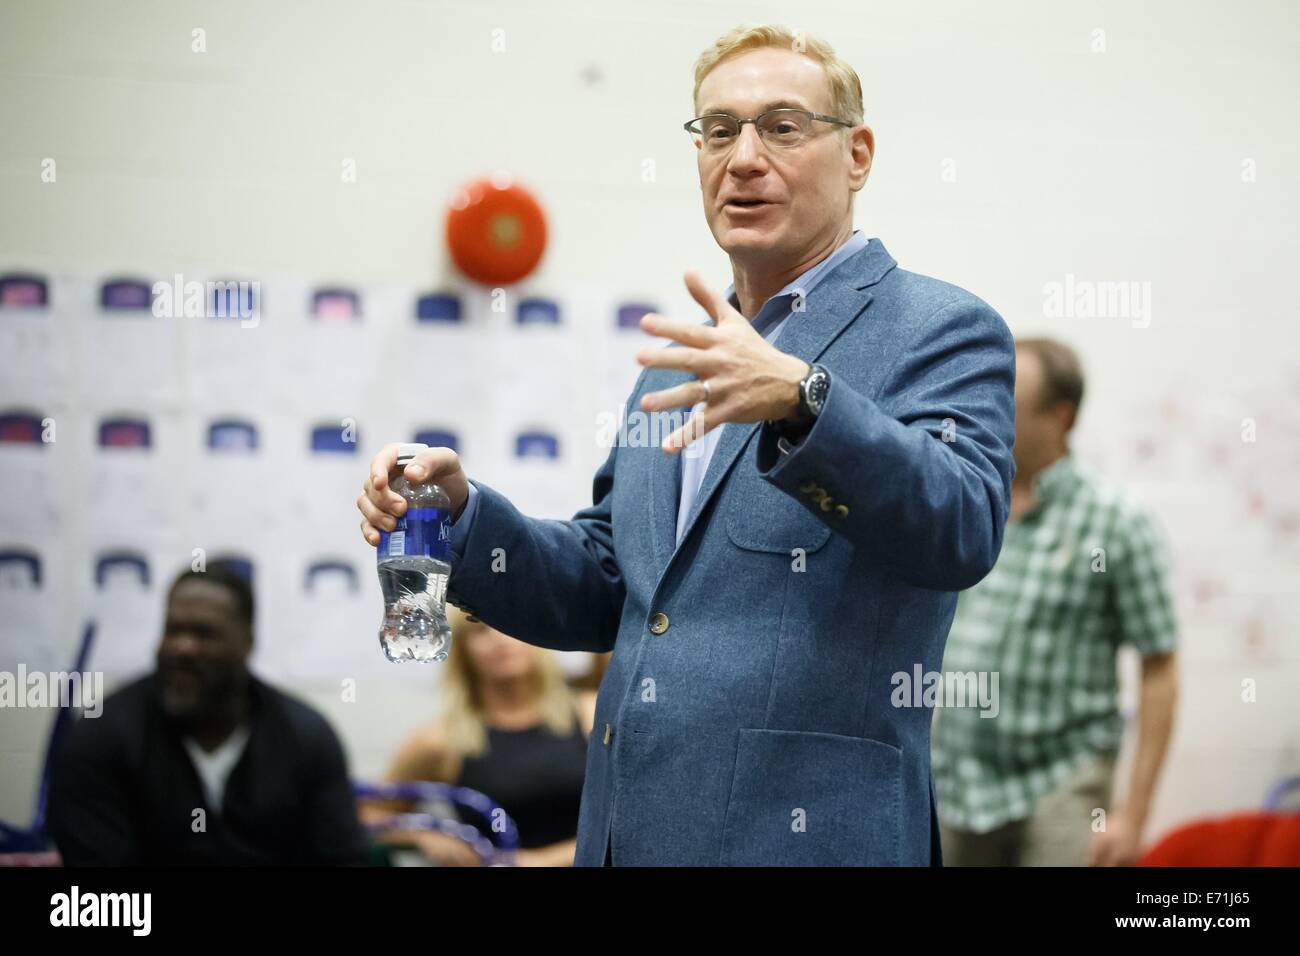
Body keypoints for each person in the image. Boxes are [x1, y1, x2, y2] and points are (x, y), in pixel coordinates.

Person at [357, 24, 1016, 866]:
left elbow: (961, 528)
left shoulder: (939, 328)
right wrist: (464, 515)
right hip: (625, 839)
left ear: (858, 154)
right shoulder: (686, 356)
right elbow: (610, 584)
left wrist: (804, 402)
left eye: (782, 126)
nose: (742, 157)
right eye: (717, 129)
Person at [933, 338, 1179, 866]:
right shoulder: (965, 501)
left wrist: (1133, 815)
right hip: (956, 787)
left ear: (1060, 417)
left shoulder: (1115, 521)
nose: (987, 414)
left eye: (1008, 403)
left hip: (1060, 789)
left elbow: (1160, 665)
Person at [47, 561, 370, 866]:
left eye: (204, 633)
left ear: (247, 643)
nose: (183, 648)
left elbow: (342, 858)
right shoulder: (101, 737)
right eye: (173, 631)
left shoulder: (305, 738)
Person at [370, 608, 596, 866]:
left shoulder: (594, 714)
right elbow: (370, 813)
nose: (500, 639)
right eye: (480, 630)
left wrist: (542, 861)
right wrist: (421, 834)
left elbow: (633, 813)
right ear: (462, 650)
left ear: (537, 636)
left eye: (512, 627)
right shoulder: (440, 740)